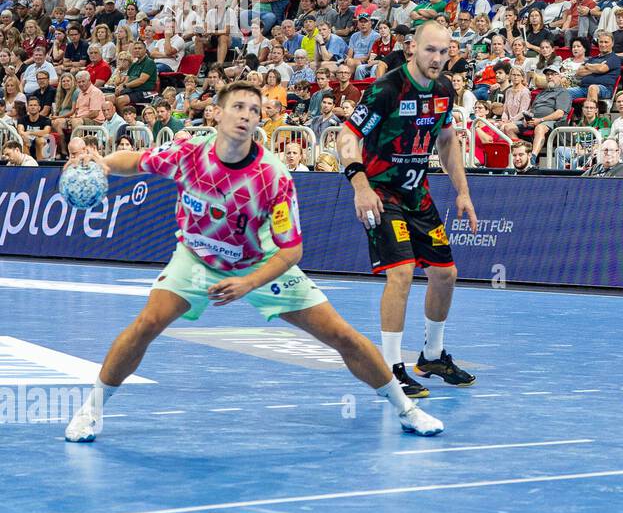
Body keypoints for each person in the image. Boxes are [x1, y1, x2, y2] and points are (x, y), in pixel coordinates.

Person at [61, 81, 443, 442]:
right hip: (196, 257)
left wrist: (248, 284)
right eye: (238, 107)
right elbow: (139, 160)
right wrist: (105, 164)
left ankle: (405, 408)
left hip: (257, 262)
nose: (246, 115)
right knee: (147, 323)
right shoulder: (189, 153)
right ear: (217, 114)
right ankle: (92, 409)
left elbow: (292, 251)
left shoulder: (272, 176)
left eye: (254, 110)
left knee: (341, 335)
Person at [335, 21, 478, 399]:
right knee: (400, 274)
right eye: (430, 50)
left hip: (417, 194)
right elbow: (347, 135)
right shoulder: (387, 89)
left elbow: (447, 141)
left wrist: (462, 191)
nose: (437, 59)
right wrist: (360, 185)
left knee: (445, 275)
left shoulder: (445, 89)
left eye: (444, 52)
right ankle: (392, 367)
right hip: (382, 192)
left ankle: (431, 356)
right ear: (413, 48)